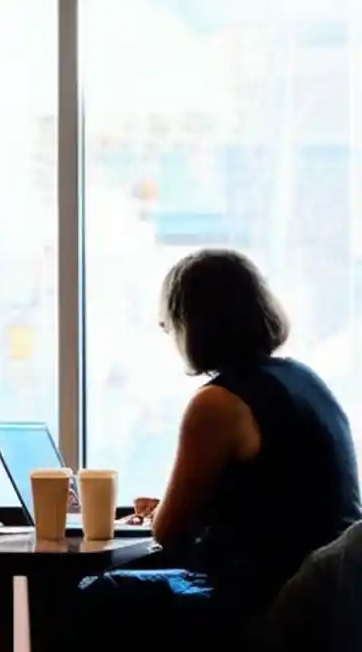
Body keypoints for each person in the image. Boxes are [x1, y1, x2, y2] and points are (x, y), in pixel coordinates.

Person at [79, 249, 362, 648]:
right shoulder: (304, 380)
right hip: (335, 599)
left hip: (275, 602)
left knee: (98, 596)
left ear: (190, 323)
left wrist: (161, 513)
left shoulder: (218, 403)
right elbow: (280, 496)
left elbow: (168, 531)